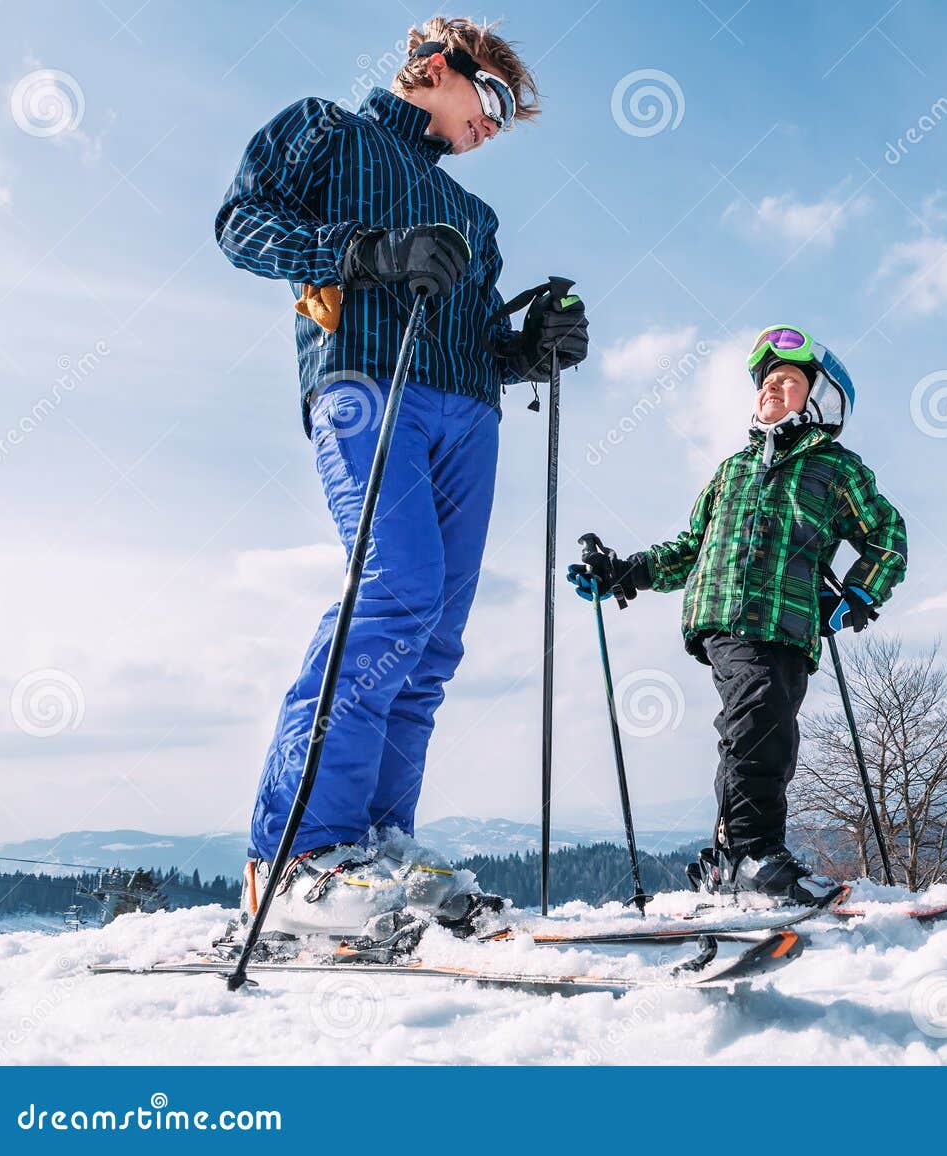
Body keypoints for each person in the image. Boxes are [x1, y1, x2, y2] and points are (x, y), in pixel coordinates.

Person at [214, 17, 588, 936]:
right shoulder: (328, 132)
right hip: (368, 384)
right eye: (494, 99)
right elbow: (240, 225)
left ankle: (375, 848)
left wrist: (533, 350)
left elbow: (479, 344)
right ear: (435, 69)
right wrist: (364, 252)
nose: (496, 124)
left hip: (469, 416)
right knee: (394, 591)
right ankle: (300, 856)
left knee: (433, 638)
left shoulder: (477, 218)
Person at [570, 326, 907, 905]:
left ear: (822, 400)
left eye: (788, 381)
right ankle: (753, 856)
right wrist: (623, 573)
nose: (771, 389)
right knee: (756, 717)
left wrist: (857, 594)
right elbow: (689, 548)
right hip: (725, 616)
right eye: (765, 382)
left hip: (792, 623)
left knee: (762, 731)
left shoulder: (836, 468)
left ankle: (729, 859)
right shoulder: (732, 470)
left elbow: (887, 536)